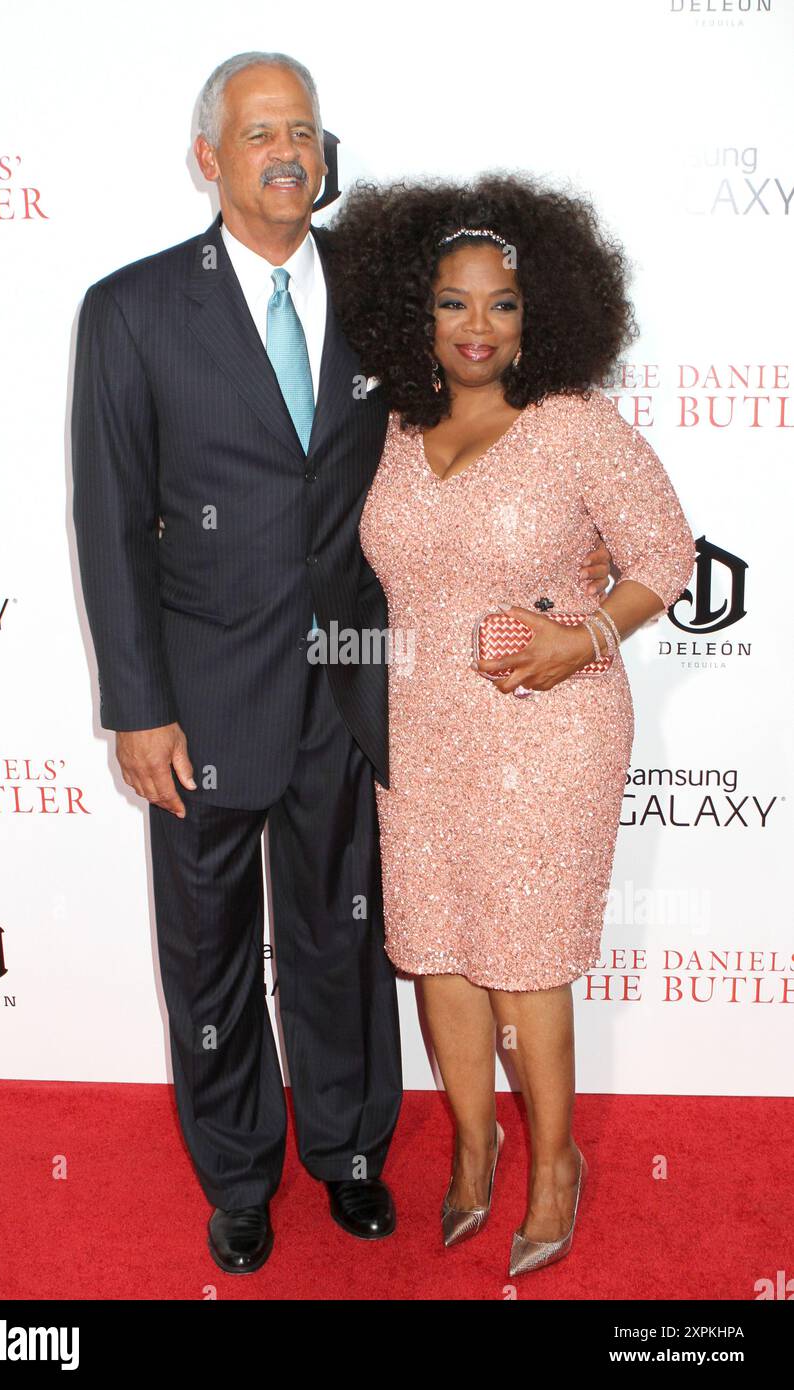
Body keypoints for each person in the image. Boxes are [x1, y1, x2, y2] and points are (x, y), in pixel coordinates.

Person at [71, 52, 612, 1278]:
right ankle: (238, 1174)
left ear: (324, 152)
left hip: (357, 695)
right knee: (207, 950)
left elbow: (491, 425)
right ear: (207, 157)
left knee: (340, 936)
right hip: (199, 705)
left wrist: (575, 578)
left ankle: (354, 1154)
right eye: (259, 130)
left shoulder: (387, 308)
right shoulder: (133, 309)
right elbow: (108, 521)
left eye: (304, 129)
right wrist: (138, 708)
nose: (286, 150)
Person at [328, 176, 696, 1276]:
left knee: (526, 959)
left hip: (548, 726)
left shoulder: (573, 425)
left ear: (540, 315)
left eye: (501, 304)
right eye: (452, 302)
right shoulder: (387, 429)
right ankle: (473, 1152)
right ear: (415, 311)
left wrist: (574, 640)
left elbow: (663, 560)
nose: (476, 327)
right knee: (437, 950)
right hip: (419, 724)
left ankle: (553, 1166)